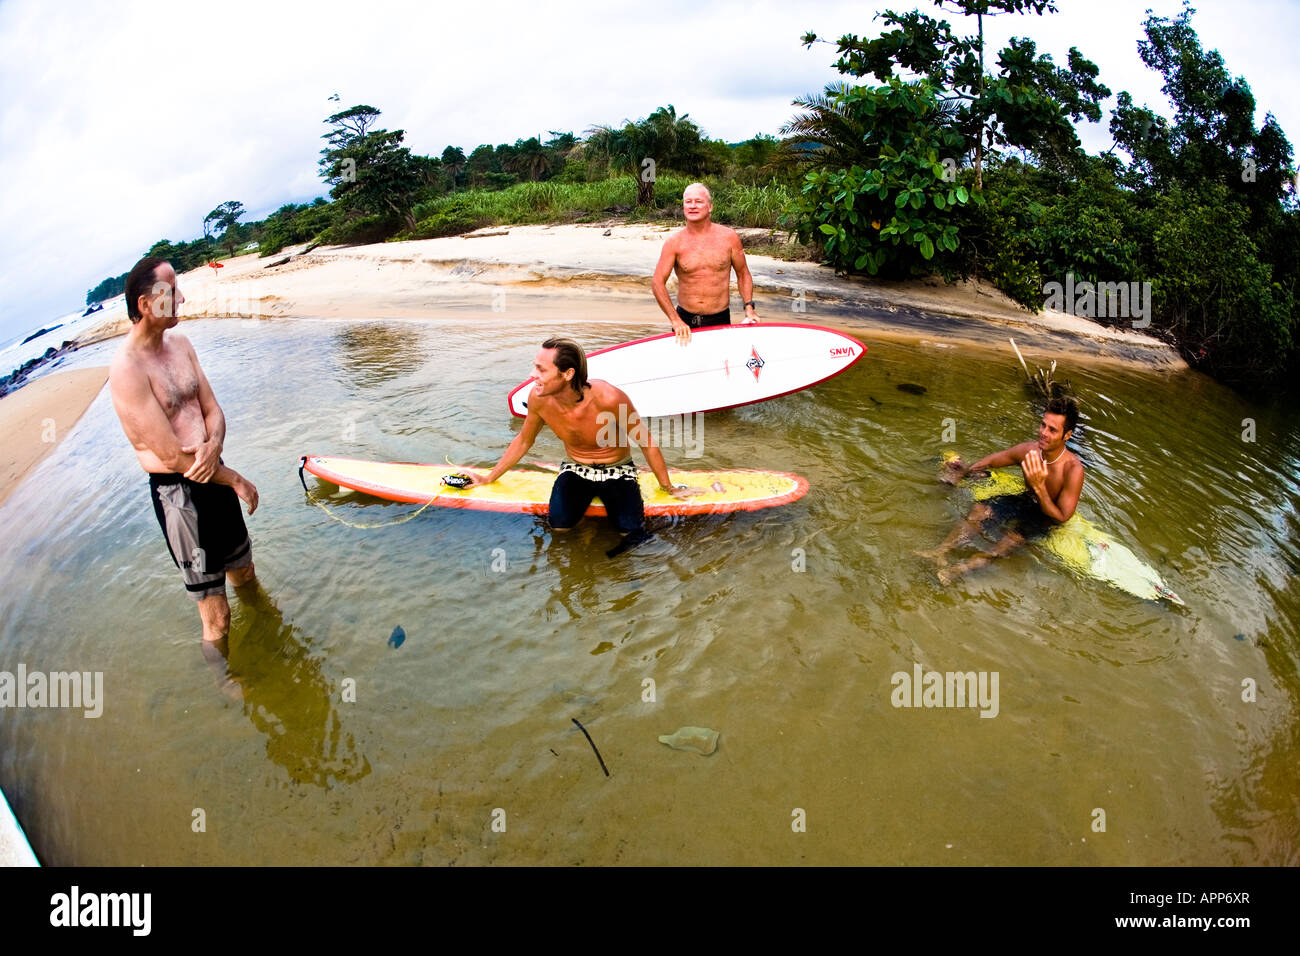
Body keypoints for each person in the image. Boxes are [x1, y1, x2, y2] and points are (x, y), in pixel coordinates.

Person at [108, 256, 260, 658]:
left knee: (245, 573)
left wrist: (214, 446)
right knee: (217, 615)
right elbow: (173, 457)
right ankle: (227, 689)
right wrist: (237, 479)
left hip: (217, 476)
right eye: (172, 292)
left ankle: (269, 639)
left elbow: (212, 409)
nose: (182, 298)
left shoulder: (182, 345)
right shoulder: (126, 371)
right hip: (182, 498)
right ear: (145, 304)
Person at [467, 337, 698, 555]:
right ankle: (586, 539)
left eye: (541, 369)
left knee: (630, 532)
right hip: (576, 468)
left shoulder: (609, 398)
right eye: (534, 366)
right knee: (558, 527)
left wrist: (669, 487)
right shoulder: (538, 398)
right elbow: (524, 440)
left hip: (617, 470)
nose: (532, 375)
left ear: (568, 374)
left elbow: (646, 443)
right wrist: (490, 477)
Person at [922, 397, 1084, 584]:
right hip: (1024, 500)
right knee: (979, 510)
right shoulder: (1030, 451)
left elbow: (1062, 516)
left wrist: (1039, 487)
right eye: (1043, 425)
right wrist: (964, 472)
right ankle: (940, 552)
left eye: (1052, 430)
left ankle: (959, 569)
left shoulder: (1073, 470)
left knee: (1008, 541)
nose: (1043, 433)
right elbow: (992, 461)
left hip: (1045, 518)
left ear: (1067, 435)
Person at [651, 182, 762, 345]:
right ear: (683, 207)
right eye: (688, 202)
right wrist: (675, 320)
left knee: (720, 367)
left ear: (710, 207)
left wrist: (749, 308)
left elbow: (743, 273)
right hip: (684, 322)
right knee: (686, 369)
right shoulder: (674, 243)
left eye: (698, 201)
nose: (692, 206)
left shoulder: (729, 238)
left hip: (719, 319)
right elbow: (657, 282)